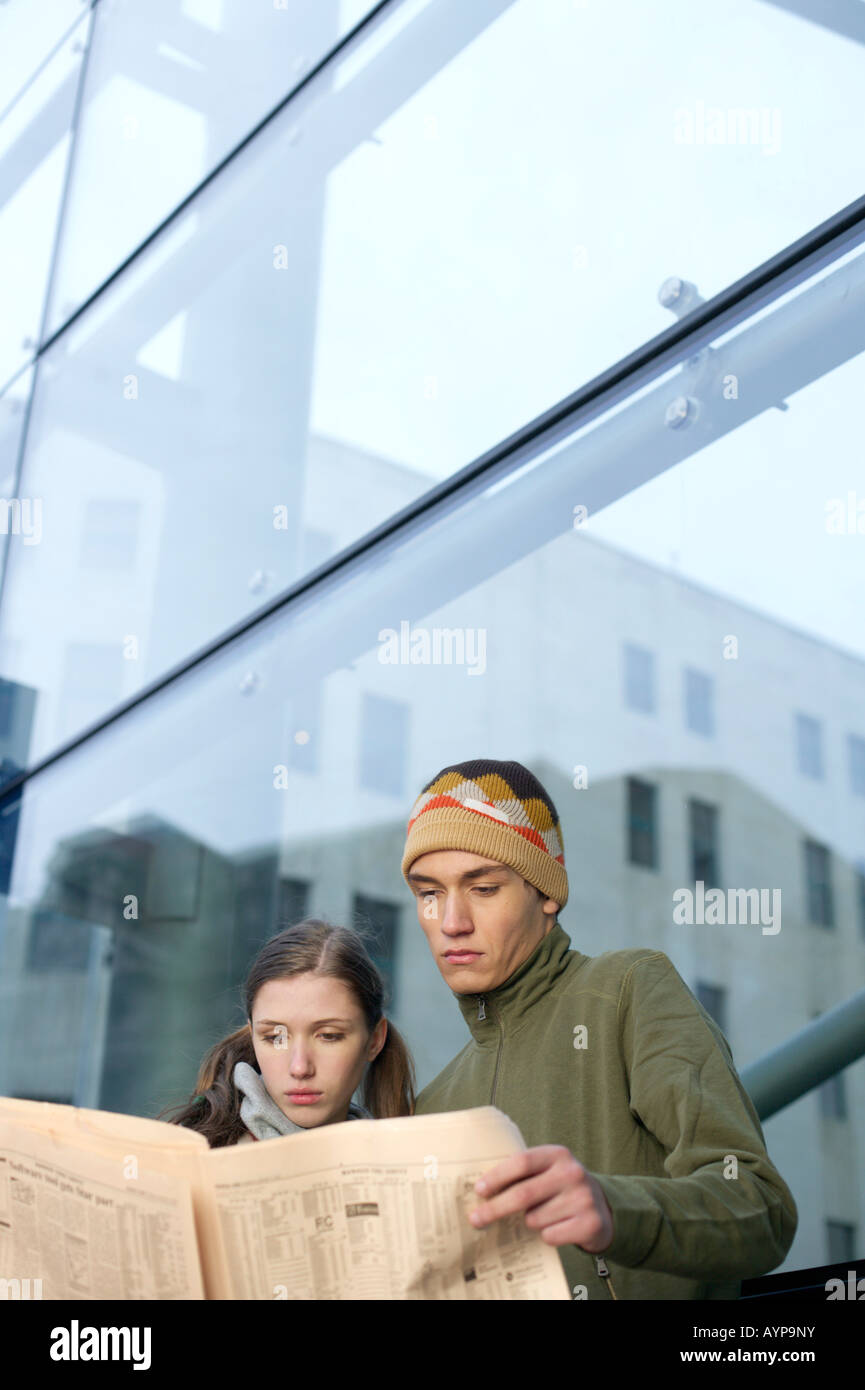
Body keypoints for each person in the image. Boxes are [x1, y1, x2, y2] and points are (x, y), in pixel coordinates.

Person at [401, 758, 798, 1300]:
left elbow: (760, 1207)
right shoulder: (432, 1107)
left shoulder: (629, 989)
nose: (452, 922)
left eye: (485, 888)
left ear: (547, 893)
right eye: (429, 894)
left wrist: (615, 1210)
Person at [160, 918, 415, 1145]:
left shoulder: (405, 1158)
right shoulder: (193, 1153)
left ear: (375, 1040)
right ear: (252, 1035)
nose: (300, 1068)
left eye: (328, 1036)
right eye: (275, 1038)